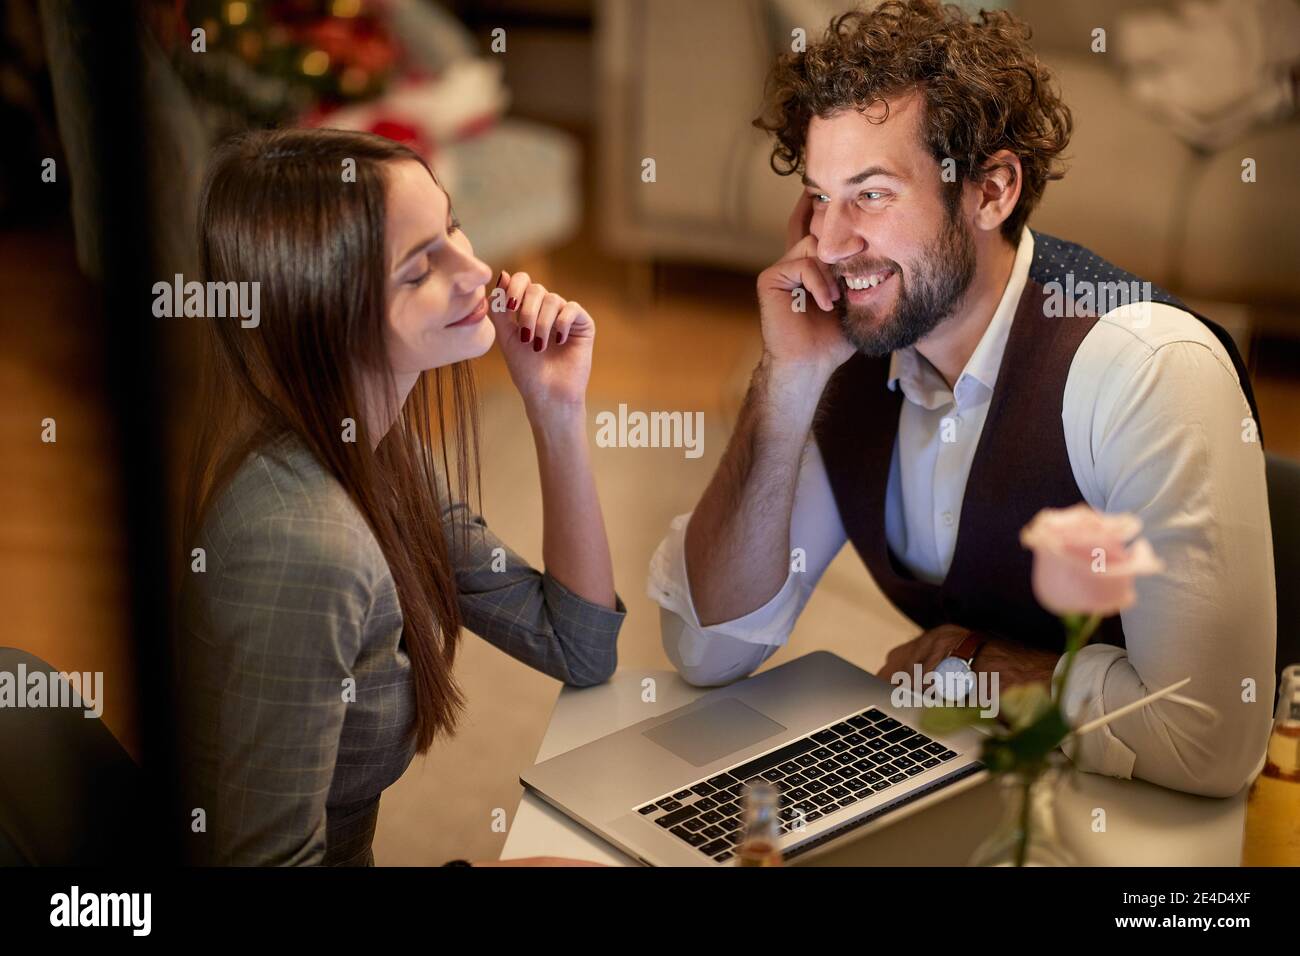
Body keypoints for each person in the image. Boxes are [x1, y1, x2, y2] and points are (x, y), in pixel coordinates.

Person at [648, 0, 1276, 798]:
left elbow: (1211, 740)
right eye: (820, 196)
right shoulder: (853, 349)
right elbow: (708, 650)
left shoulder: (1146, 368)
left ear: (991, 191)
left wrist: (971, 667)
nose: (831, 244)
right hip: (989, 789)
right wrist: (787, 379)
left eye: (871, 195)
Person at [177, 127, 623, 865]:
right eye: (420, 270)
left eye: (451, 224)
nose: (477, 269)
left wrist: (557, 412)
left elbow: (578, 646)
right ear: (324, 311)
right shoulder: (303, 543)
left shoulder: (375, 448)